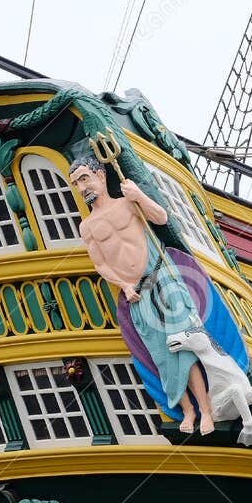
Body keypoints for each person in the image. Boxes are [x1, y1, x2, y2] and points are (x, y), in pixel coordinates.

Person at [69, 156, 216, 433]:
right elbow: (100, 263)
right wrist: (123, 285)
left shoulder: (127, 201)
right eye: (76, 183)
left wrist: (139, 196)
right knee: (162, 355)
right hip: (137, 292)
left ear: (101, 175)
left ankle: (206, 410)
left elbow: (161, 218)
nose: (81, 187)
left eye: (85, 178)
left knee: (185, 346)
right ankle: (186, 411)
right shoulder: (87, 227)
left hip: (163, 279)